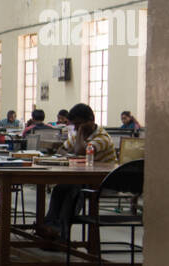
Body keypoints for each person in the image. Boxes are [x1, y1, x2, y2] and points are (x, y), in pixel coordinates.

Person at [38, 103, 116, 241]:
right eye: (74, 125)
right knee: (61, 187)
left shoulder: (103, 137)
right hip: (82, 178)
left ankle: (60, 232)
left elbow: (80, 150)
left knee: (73, 189)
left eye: (78, 124)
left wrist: (79, 134)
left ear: (90, 121)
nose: (75, 128)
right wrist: (72, 149)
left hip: (102, 182)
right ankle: (51, 226)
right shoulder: (76, 135)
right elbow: (61, 150)